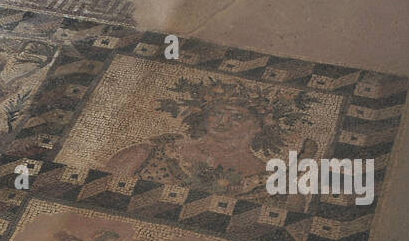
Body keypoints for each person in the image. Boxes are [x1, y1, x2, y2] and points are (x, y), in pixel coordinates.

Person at [105, 76, 316, 197]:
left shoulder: (266, 178)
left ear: (260, 126)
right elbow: (104, 192)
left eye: (237, 116)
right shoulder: (152, 151)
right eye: (216, 113)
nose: (222, 122)